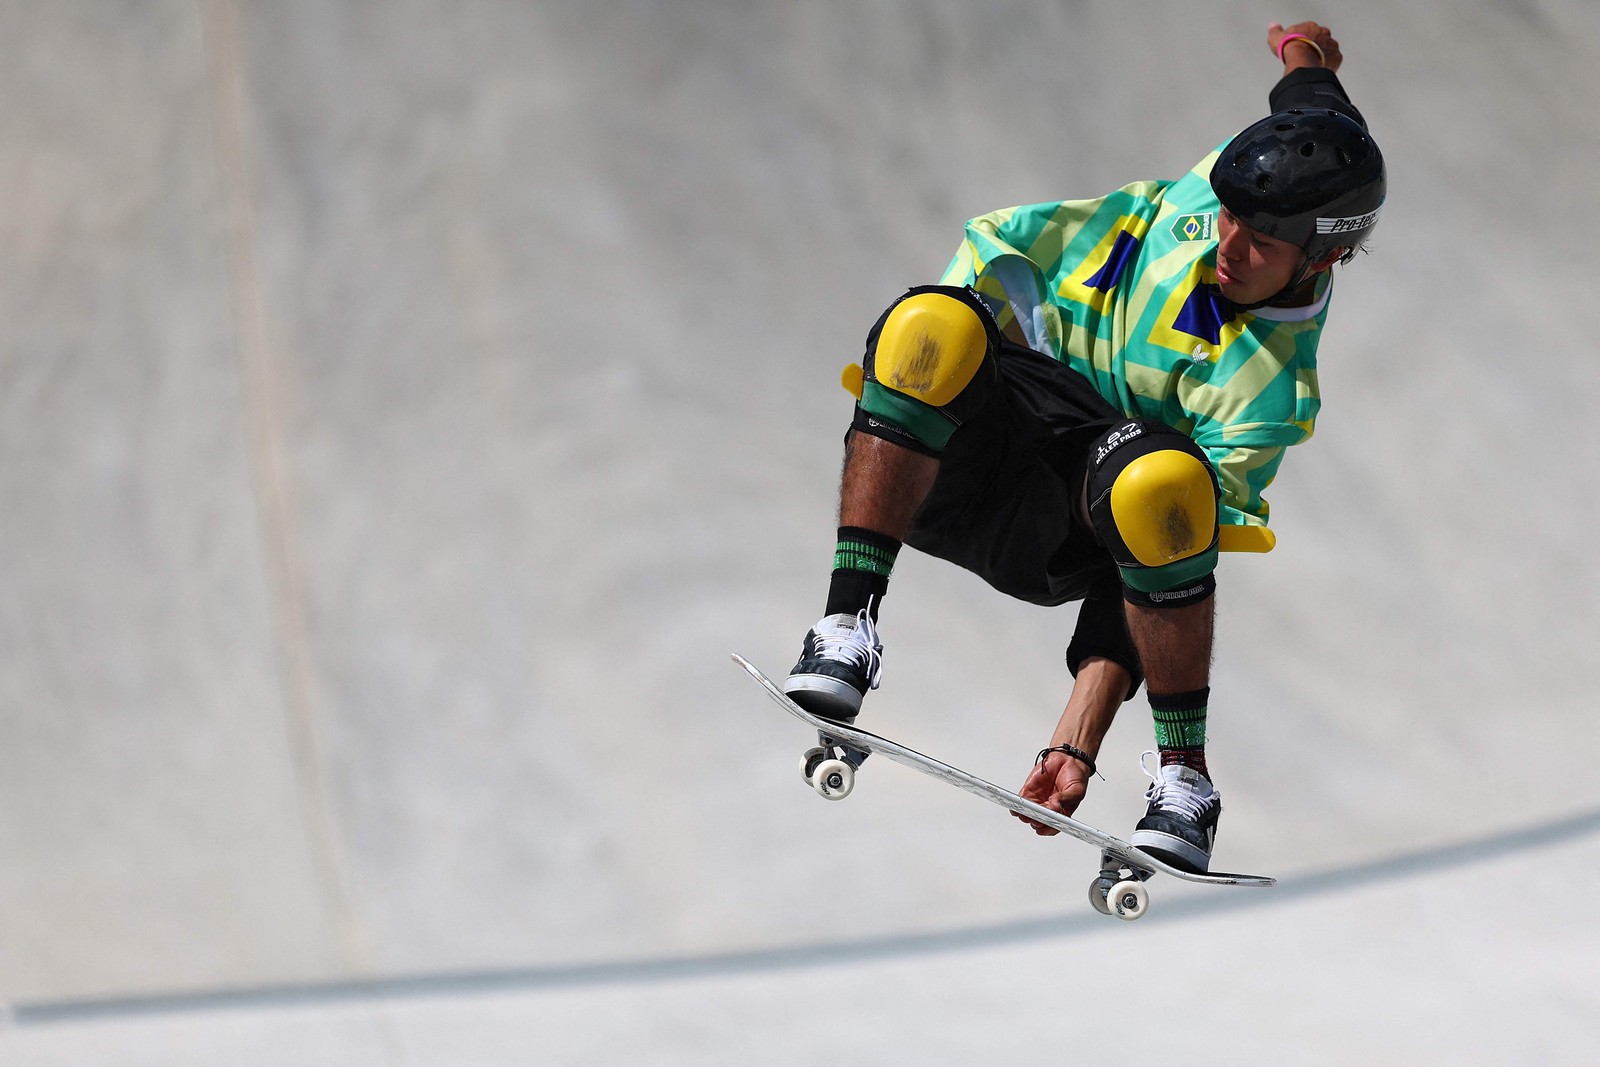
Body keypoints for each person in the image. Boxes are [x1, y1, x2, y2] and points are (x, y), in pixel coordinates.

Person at [781, 21, 1385, 873]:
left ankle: (1184, 779)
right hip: (964, 446)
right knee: (929, 324)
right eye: (1229, 216)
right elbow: (1312, 103)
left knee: (1162, 485)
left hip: (1066, 528)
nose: (1229, 246)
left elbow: (1159, 560)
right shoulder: (1256, 180)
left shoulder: (1265, 393)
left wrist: (1076, 738)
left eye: (1261, 242)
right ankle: (846, 626)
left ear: (1325, 255)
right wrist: (1306, 52)